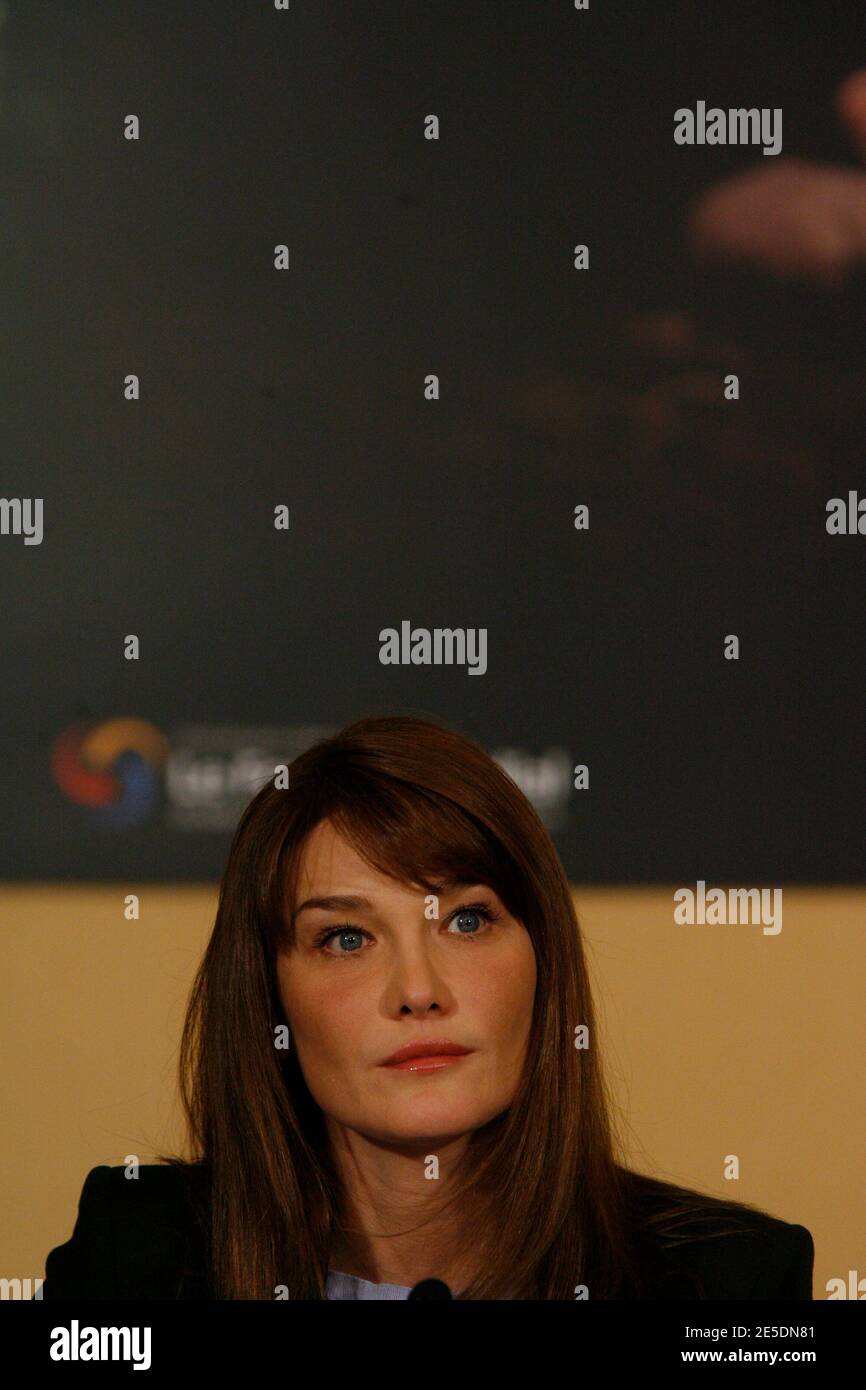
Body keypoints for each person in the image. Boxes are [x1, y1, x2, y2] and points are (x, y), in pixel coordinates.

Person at [41, 714, 814, 1299]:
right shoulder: (136, 1260)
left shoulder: (729, 1283)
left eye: (467, 921)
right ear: (269, 993)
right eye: (346, 938)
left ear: (545, 960)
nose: (418, 991)